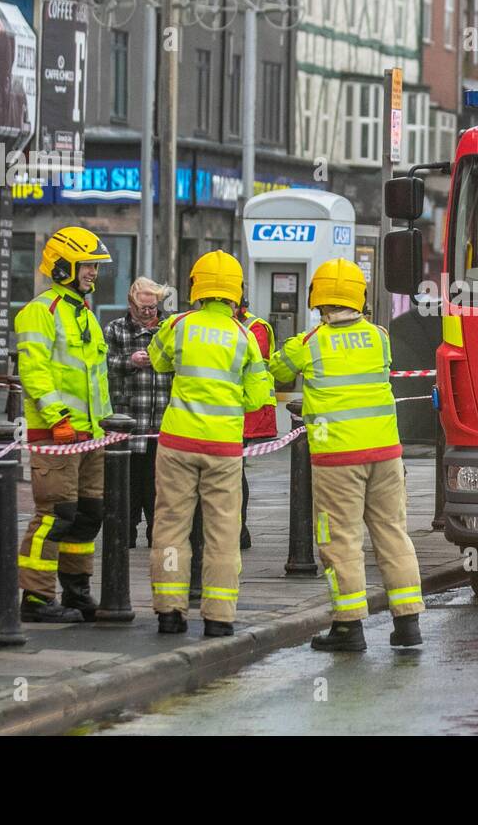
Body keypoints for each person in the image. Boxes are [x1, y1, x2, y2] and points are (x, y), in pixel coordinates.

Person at [268, 258, 424, 652]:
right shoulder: (380, 336)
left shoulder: (308, 344)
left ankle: (348, 627)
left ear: (317, 299)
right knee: (393, 534)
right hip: (386, 453)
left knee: (341, 542)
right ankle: (407, 625)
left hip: (338, 457)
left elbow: (274, 367)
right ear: (360, 296)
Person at [147, 251, 273, 638]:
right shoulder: (244, 336)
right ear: (236, 291)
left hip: (178, 442)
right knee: (222, 530)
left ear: (195, 286)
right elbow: (256, 398)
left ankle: (170, 611)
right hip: (222, 448)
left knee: (171, 526)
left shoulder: (178, 325)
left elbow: (157, 361)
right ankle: (218, 617)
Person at [13, 227, 114, 624]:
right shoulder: (43, 310)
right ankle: (36, 598)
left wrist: (104, 429)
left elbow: (94, 380)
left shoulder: (83, 312)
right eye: (86, 265)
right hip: (58, 434)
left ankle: (76, 592)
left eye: (93, 266)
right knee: (56, 514)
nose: (92, 273)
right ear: (62, 267)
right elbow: (34, 370)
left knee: (89, 514)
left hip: (91, 436)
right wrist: (58, 418)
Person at [103, 277, 172, 548]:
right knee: (126, 489)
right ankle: (123, 537)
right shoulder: (115, 329)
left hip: (162, 422)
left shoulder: (169, 329)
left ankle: (159, 537)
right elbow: (102, 365)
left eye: (152, 308)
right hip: (129, 420)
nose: (147, 313)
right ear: (131, 303)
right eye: (142, 308)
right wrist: (129, 361)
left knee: (159, 490)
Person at [237, 295, 278, 549]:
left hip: (243, 410)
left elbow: (256, 368)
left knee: (234, 472)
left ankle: (239, 529)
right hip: (227, 409)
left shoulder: (255, 328)